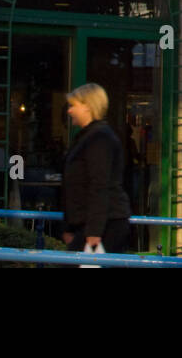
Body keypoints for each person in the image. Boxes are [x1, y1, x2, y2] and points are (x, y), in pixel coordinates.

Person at [61, 83, 132, 256]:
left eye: (73, 105)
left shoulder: (99, 138)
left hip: (104, 225)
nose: (69, 111)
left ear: (87, 106)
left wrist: (94, 231)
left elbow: (99, 184)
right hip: (96, 224)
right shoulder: (90, 136)